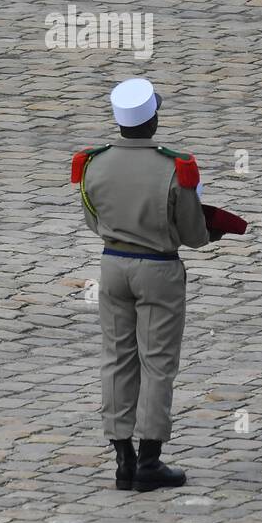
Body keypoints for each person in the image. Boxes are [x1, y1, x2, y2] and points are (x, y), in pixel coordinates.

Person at [73, 78, 218, 492]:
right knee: (157, 363)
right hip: (158, 268)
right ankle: (150, 460)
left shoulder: (94, 163)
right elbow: (192, 232)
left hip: (113, 264)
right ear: (152, 119)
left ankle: (123, 458)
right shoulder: (173, 167)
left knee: (117, 358)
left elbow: (92, 219)